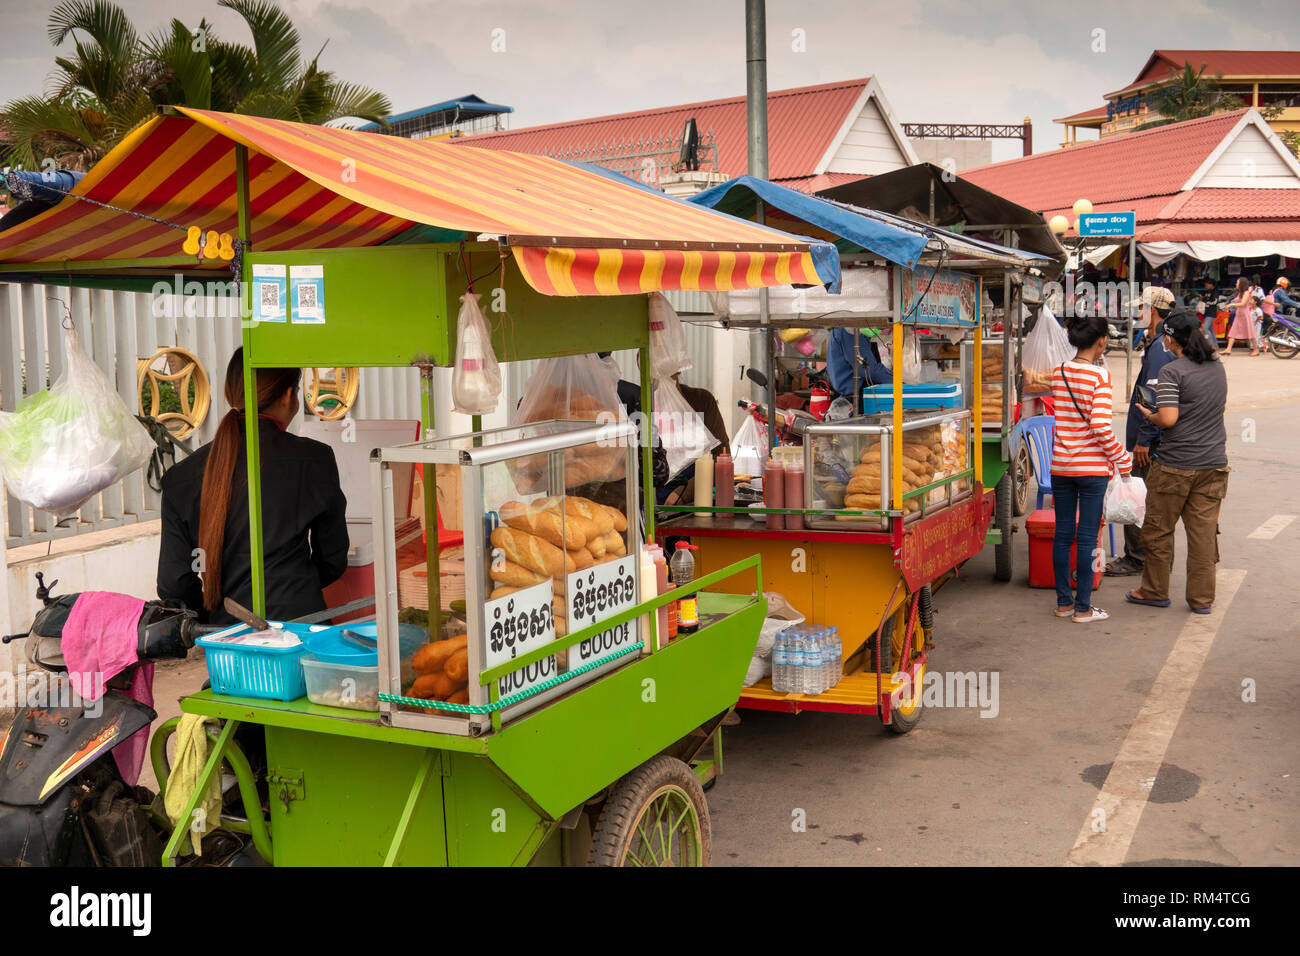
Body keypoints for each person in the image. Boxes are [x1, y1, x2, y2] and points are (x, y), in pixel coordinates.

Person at [157, 349, 349, 626]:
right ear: (287, 396)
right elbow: (332, 558)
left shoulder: (181, 477)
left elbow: (174, 583)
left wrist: (212, 616)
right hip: (304, 629)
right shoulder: (316, 459)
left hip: (226, 639)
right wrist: (294, 587)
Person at [1126, 312, 1228, 613]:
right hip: (1214, 465)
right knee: (1203, 535)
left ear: (1171, 338)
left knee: (1158, 530)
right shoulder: (1217, 367)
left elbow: (1168, 418)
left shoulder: (1173, 371)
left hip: (1175, 466)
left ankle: (1154, 590)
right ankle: (1201, 600)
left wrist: (1148, 414)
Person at [1050, 315, 1132, 623]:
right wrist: (1122, 459)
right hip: (1091, 469)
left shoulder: (1060, 373)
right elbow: (1099, 426)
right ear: (1100, 341)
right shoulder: (1100, 376)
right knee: (1086, 538)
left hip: (1061, 466)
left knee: (1062, 535)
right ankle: (1083, 608)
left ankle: (1063, 603)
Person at [1106, 288, 1177, 577]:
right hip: (1148, 437)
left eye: (1142, 307)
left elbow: (1155, 395)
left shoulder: (1160, 347)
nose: (1136, 312)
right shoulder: (1155, 342)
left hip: (1149, 441)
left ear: (1155, 310)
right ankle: (1146, 559)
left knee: (1139, 498)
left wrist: (1144, 440)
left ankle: (1137, 558)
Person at [827, 327, 891, 396]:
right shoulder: (850, 330)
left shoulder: (843, 329)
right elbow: (868, 369)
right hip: (856, 393)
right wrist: (897, 380)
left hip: (852, 391)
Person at [1223, 276, 1258, 356]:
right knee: (1233, 331)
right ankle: (1228, 349)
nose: (1236, 284)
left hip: (1245, 315)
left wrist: (1231, 304)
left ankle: (1256, 349)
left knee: (1251, 333)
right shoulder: (1239, 293)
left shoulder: (1246, 293)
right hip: (1239, 314)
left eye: (1237, 282)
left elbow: (1243, 303)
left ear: (1241, 284)